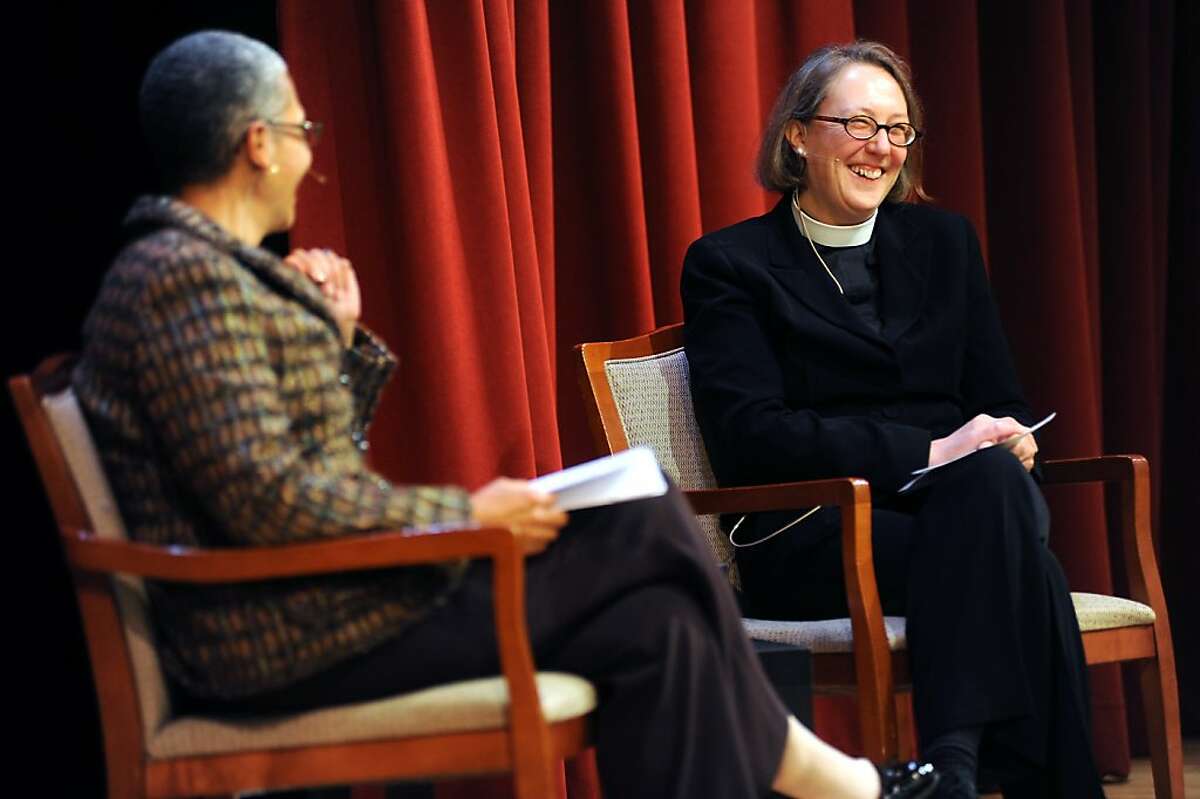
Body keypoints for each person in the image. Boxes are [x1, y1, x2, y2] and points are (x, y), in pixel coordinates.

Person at [72, 31, 939, 799]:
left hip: (314, 607)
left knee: (658, 622)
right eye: (304, 133)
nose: (314, 157)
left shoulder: (196, 274)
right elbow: (267, 498)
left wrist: (332, 345)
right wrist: (468, 512)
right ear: (257, 144)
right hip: (277, 639)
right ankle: (838, 783)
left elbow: (302, 470)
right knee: (641, 526)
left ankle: (835, 784)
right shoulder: (184, 278)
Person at [681, 40, 1104, 799]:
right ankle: (1007, 774)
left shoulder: (945, 244)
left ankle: (951, 766)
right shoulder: (730, 264)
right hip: (818, 529)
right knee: (1021, 556)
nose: (882, 147)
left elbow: (999, 393)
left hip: (964, 514)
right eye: (860, 124)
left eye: (898, 129)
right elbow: (752, 435)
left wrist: (1015, 436)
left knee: (992, 492)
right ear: (798, 136)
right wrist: (936, 448)